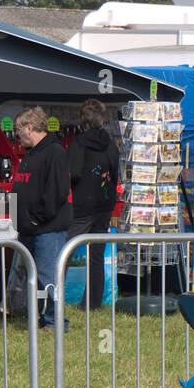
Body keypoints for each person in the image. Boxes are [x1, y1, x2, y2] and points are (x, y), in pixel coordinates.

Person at [10, 106, 72, 331]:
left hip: (47, 228)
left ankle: (55, 322)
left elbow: (57, 191)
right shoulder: (32, 153)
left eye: (18, 129)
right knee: (34, 278)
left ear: (29, 127)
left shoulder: (54, 152)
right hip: (29, 228)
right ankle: (38, 318)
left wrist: (39, 218)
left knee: (49, 278)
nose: (17, 134)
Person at [67, 99, 120, 309]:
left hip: (82, 206)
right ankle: (92, 303)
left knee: (64, 251)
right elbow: (115, 174)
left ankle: (53, 298)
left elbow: (74, 173)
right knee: (96, 256)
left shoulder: (78, 144)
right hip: (104, 204)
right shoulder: (110, 144)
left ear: (83, 120)